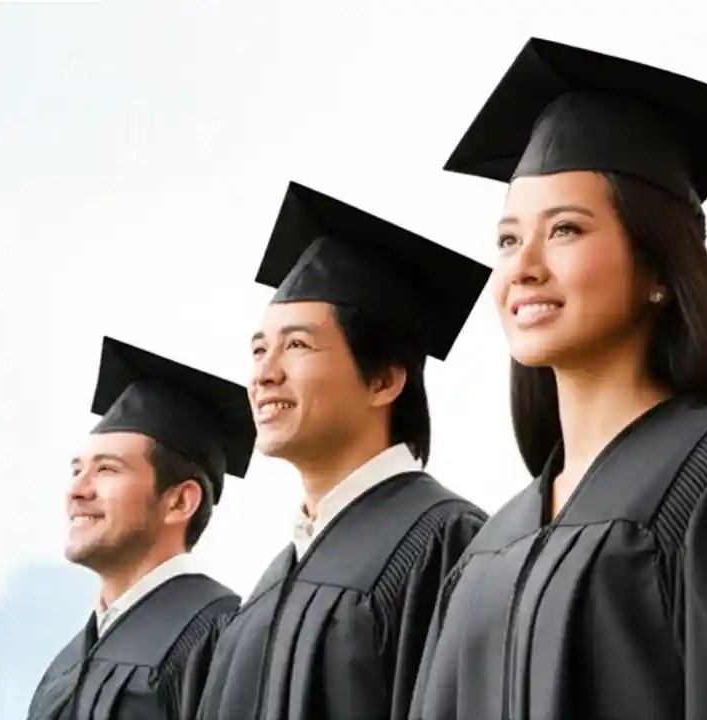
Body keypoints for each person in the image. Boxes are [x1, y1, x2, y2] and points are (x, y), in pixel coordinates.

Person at [412, 37, 707, 720]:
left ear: (659, 271)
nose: (523, 267)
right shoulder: (491, 544)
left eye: (565, 230)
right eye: (508, 240)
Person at [187, 182, 491, 720]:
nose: (264, 373)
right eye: (259, 349)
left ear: (384, 381)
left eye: (297, 345)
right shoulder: (267, 587)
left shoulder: (449, 543)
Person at [27, 336, 254, 720]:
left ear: (179, 502)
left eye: (107, 469)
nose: (77, 490)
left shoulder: (224, 637)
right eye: (77, 470)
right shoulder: (68, 661)